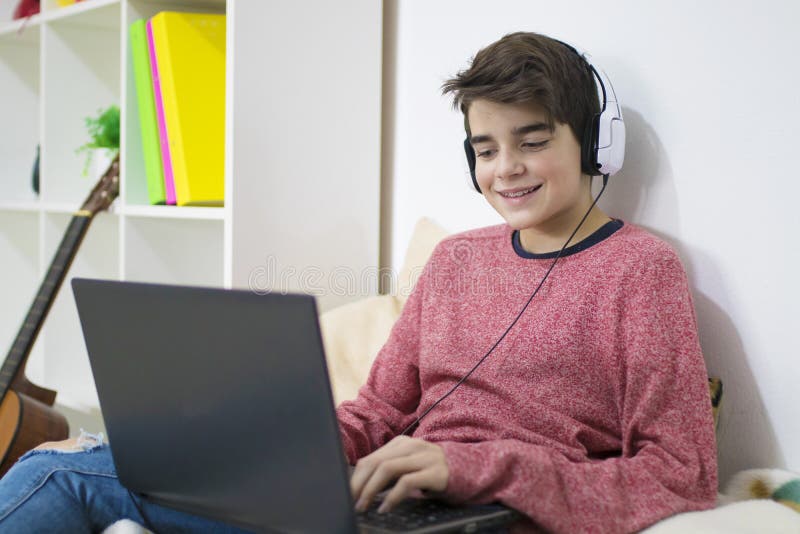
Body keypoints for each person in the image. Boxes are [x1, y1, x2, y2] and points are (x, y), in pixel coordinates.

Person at [0, 31, 717, 533]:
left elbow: (680, 475)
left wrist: (475, 468)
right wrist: (267, 445)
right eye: (485, 149)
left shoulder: (639, 272)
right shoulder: (456, 260)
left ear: (593, 144)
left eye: (533, 141)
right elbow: (376, 413)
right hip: (375, 499)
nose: (506, 169)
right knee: (65, 471)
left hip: (493, 516)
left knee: (59, 482)